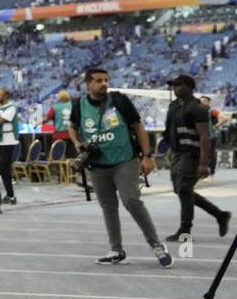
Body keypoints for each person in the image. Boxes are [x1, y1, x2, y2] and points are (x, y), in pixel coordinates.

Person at [68, 67, 172, 267]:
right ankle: (116, 250)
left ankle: (156, 244)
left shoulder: (119, 100)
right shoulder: (79, 104)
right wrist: (77, 143)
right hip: (97, 165)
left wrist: (147, 156)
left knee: (131, 201)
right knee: (108, 207)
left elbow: (138, 126)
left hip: (125, 160)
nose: (104, 84)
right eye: (98, 80)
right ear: (88, 84)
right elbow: (72, 126)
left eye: (106, 80)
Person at [163, 74, 229, 242]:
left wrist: (203, 163)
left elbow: (204, 136)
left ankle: (185, 232)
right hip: (177, 154)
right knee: (181, 190)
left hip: (191, 154)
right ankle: (219, 214)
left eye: (179, 85)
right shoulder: (173, 106)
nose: (175, 88)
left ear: (189, 87)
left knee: (184, 190)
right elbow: (170, 130)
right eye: (174, 85)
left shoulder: (197, 108)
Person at [0, 88, 19, 205]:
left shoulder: (11, 108)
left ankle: (11, 195)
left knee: (5, 168)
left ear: (6, 96)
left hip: (8, 141)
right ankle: (9, 194)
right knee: (2, 169)